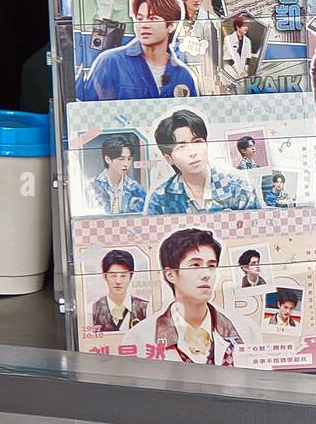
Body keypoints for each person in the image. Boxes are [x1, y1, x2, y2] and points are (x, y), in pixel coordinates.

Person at [123, 229, 260, 365]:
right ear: (170, 274)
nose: (206, 274)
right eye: (195, 265)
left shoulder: (246, 330)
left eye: (211, 266)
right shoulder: (140, 337)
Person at [83, 0, 198, 100]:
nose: (144, 25)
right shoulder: (111, 62)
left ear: (171, 25)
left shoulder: (184, 75)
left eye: (153, 19)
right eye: (139, 18)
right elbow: (87, 108)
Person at [144, 109, 261, 214]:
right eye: (182, 146)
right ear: (169, 158)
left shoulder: (240, 190)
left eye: (197, 142)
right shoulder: (160, 198)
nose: (193, 152)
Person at [174, 0, 217, 91]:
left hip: (203, 70)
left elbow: (216, 53)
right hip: (179, 70)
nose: (197, 0)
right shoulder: (174, 20)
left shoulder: (212, 20)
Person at [91, 249, 149, 332]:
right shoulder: (94, 309)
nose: (118, 281)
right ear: (104, 276)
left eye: (123, 275)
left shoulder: (144, 308)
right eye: (113, 275)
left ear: (131, 276)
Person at [87, 135, 146, 215]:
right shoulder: (91, 186)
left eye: (129, 159)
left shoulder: (135, 188)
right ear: (108, 159)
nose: (126, 164)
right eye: (121, 159)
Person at [221, 13, 255, 81]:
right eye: (244, 26)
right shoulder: (228, 38)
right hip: (230, 69)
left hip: (242, 73)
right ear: (237, 26)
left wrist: (245, 71)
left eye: (247, 26)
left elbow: (247, 59)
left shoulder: (248, 41)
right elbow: (228, 58)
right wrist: (238, 71)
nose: (246, 28)